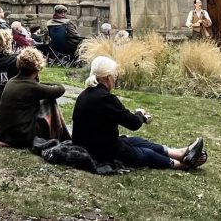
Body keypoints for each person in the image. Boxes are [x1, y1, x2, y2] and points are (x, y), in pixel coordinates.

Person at [72, 55, 206, 170]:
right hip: (99, 151)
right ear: (107, 78)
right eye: (115, 75)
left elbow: (119, 116)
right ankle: (182, 164)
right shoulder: (105, 98)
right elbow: (133, 124)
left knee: (137, 141)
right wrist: (140, 114)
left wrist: (137, 115)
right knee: (145, 153)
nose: (115, 78)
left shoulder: (86, 94)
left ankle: (180, 152)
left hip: (87, 145)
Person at [0, 47, 65, 148]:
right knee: (48, 101)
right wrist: (51, 83)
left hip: (1, 133)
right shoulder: (33, 87)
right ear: (37, 68)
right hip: (21, 136)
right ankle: (59, 134)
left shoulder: (11, 82)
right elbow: (60, 89)